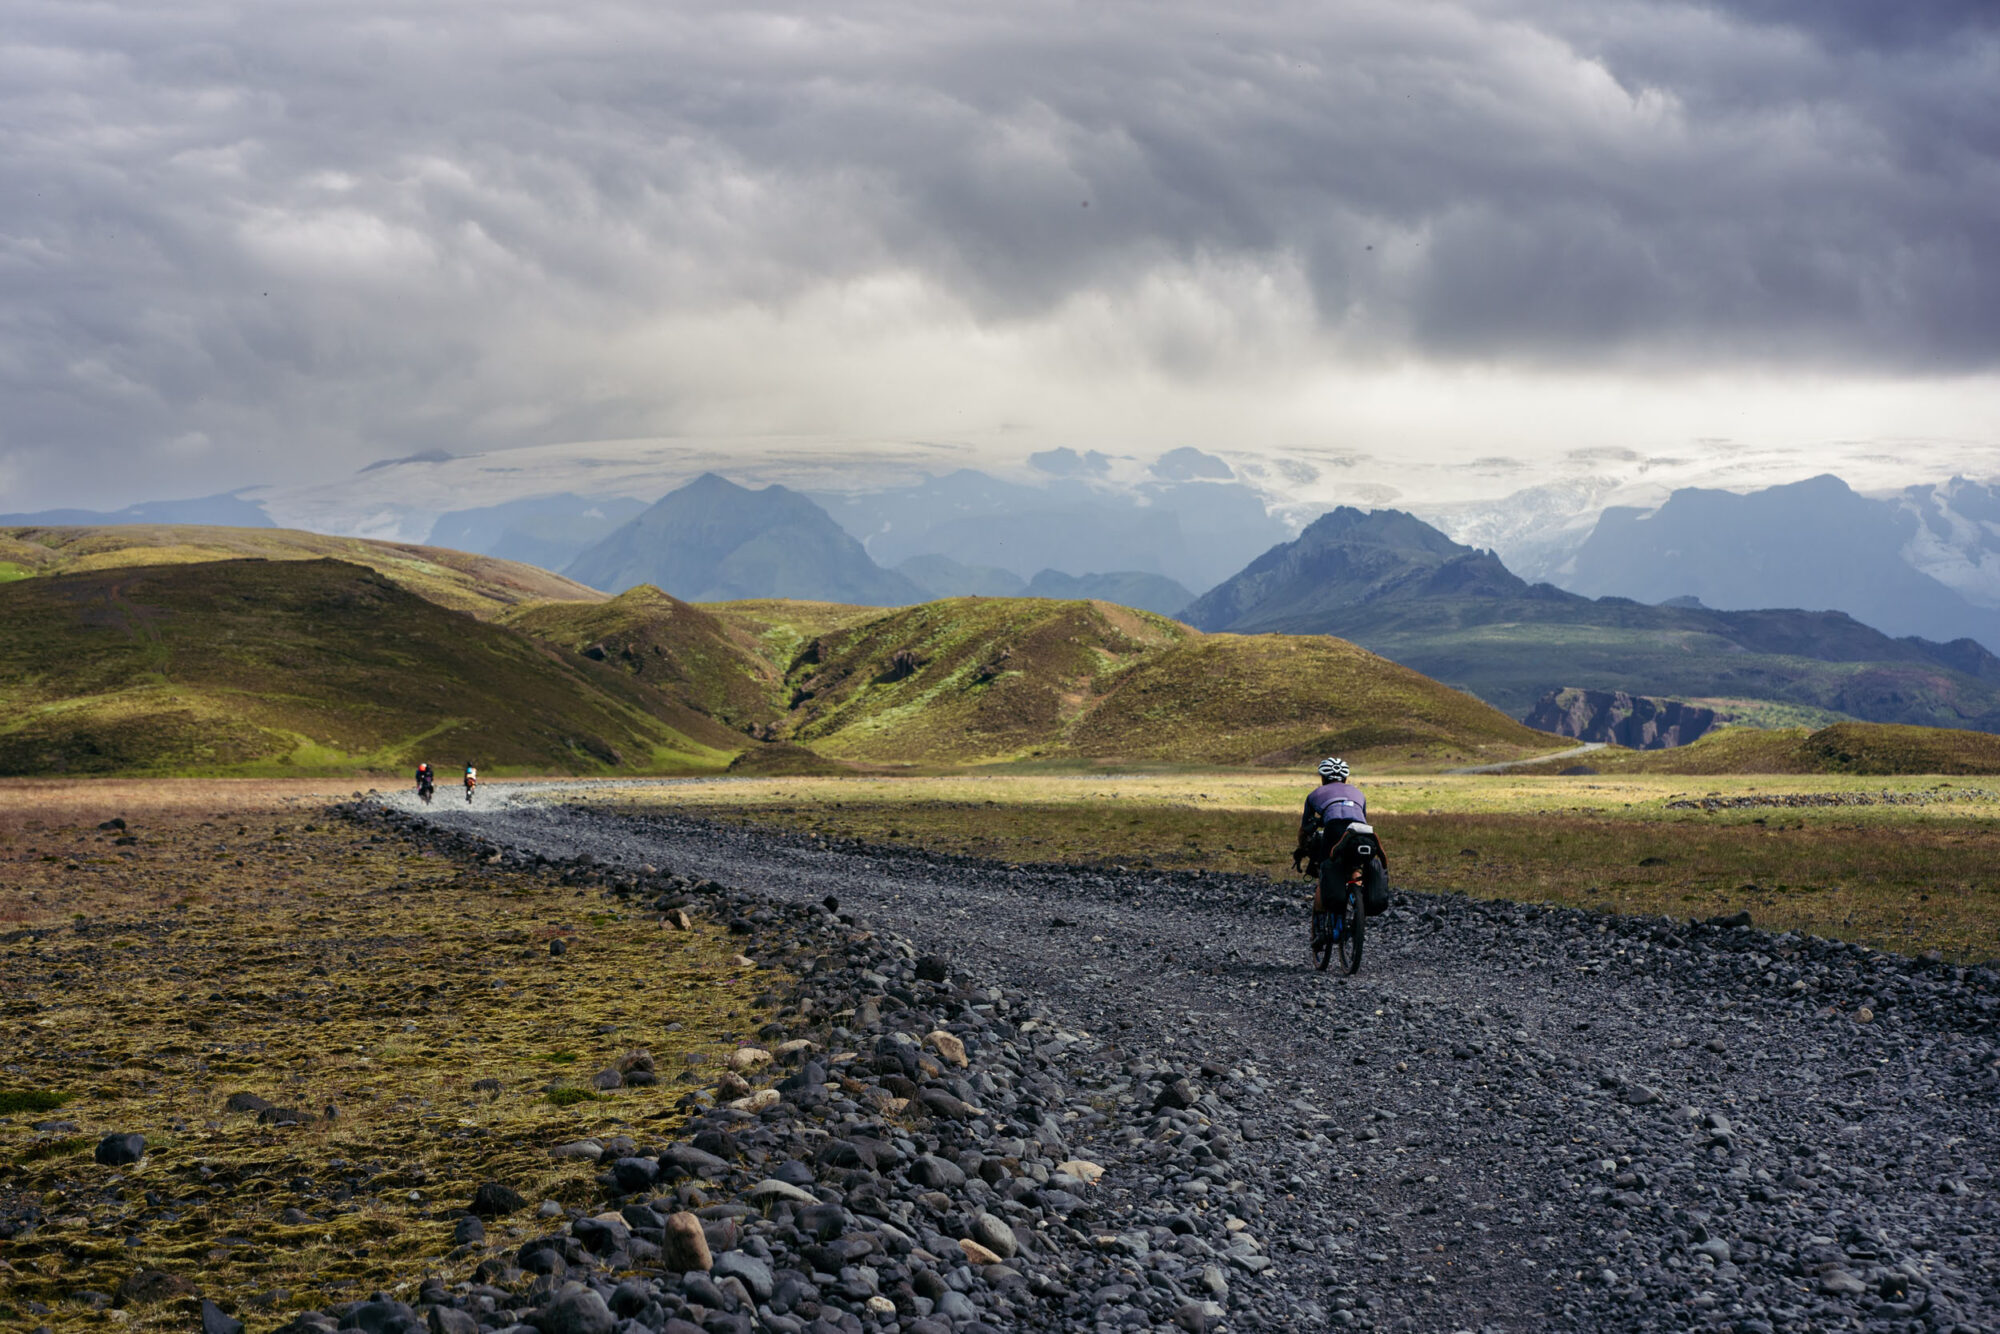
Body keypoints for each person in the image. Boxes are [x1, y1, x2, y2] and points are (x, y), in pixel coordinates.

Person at [1292, 756, 1368, 873]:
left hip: (1334, 828)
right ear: (1345, 778)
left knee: (1325, 870)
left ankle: (1323, 889)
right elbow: (1362, 818)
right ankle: (1356, 886)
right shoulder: (1359, 793)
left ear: (1323, 778)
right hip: (1361, 829)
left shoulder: (1314, 794)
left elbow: (1305, 829)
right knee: (1356, 865)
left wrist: (1302, 848)